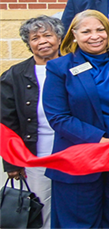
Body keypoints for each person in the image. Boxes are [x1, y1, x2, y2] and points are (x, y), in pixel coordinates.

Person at [43, 10, 109, 228]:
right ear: (74, 35)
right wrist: (100, 141)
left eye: (100, 29)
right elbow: (58, 117)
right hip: (78, 162)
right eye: (86, 31)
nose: (95, 36)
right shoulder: (59, 68)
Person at [0, 15, 63, 228]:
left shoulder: (77, 66)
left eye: (48, 35)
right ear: (29, 44)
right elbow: (6, 122)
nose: (42, 41)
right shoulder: (15, 75)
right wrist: (11, 162)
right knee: (42, 210)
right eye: (35, 38)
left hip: (72, 153)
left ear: (59, 38)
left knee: (73, 207)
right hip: (35, 157)